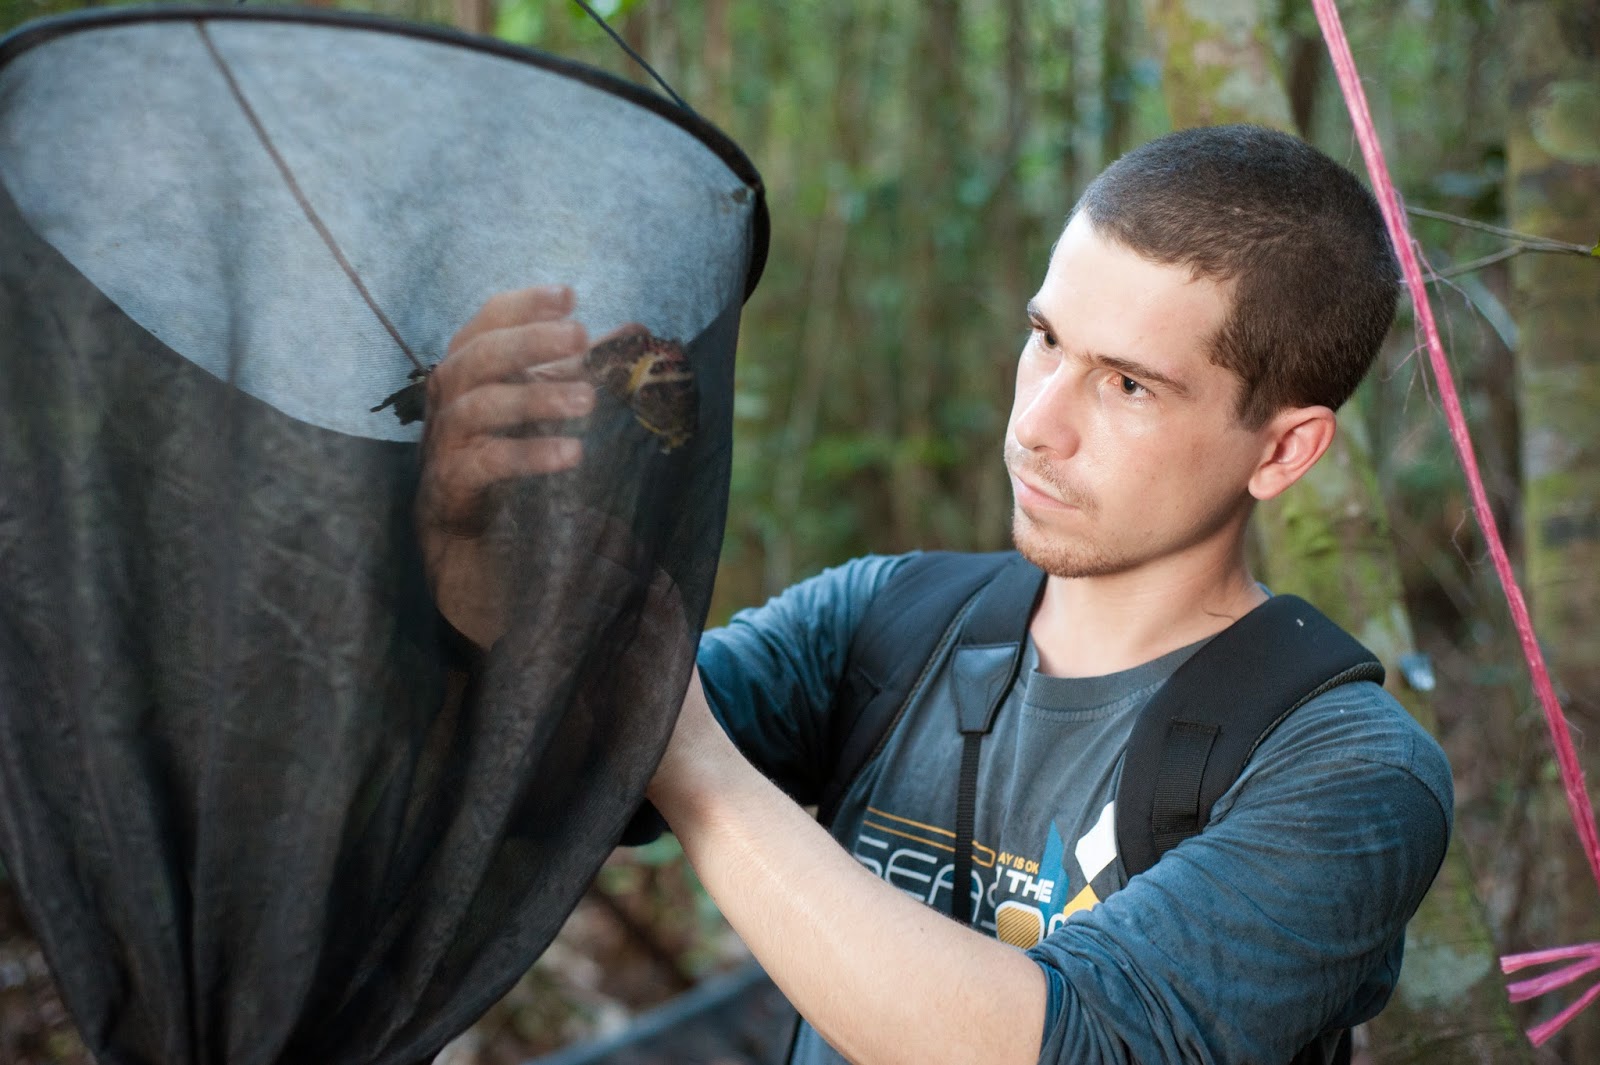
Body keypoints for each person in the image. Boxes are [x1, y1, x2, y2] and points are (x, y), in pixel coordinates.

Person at [421, 124, 1452, 1065]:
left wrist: (691, 757)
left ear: (1281, 450)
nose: (1038, 424)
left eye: (1128, 384)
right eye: (1045, 339)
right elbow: (541, 767)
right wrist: (471, 552)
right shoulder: (888, 622)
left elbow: (1077, 1044)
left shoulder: (1350, 776)